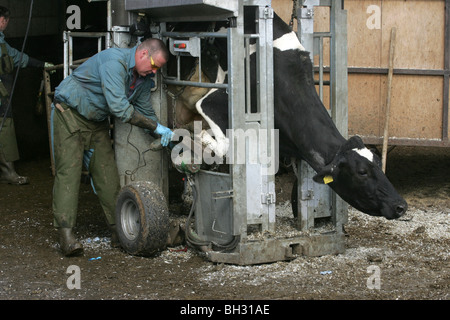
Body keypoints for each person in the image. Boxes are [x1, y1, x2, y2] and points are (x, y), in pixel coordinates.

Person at [52, 37, 173, 256]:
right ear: (143, 54)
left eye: (158, 69)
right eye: (154, 65)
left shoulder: (143, 79)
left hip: (96, 121)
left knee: (107, 176)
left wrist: (161, 131)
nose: (154, 71)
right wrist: (154, 126)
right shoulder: (113, 62)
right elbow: (119, 108)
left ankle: (119, 231)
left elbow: (145, 111)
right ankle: (66, 235)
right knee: (68, 173)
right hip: (69, 114)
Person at [0, 6, 52, 185]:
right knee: (4, 128)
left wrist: (40, 63)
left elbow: (16, 57)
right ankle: (8, 173)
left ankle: (7, 172)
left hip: (2, 95)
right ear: (3, 20)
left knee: (4, 127)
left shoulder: (2, 43)